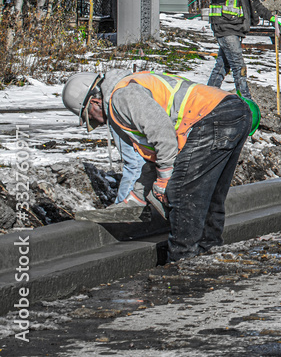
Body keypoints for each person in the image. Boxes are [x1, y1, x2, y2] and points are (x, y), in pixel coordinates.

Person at [62, 69, 257, 261]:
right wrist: (137, 197)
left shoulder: (122, 97)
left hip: (212, 117)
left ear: (94, 103)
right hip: (232, 112)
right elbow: (154, 157)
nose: (98, 122)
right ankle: (209, 254)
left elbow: (163, 137)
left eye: (91, 117)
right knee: (209, 195)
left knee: (180, 193)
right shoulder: (131, 87)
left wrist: (165, 180)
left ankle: (182, 262)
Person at [207, 0, 279, 98]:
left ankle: (206, 98)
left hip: (237, 28)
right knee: (239, 66)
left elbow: (254, 2)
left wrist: (271, 17)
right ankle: (246, 102)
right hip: (225, 27)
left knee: (222, 66)